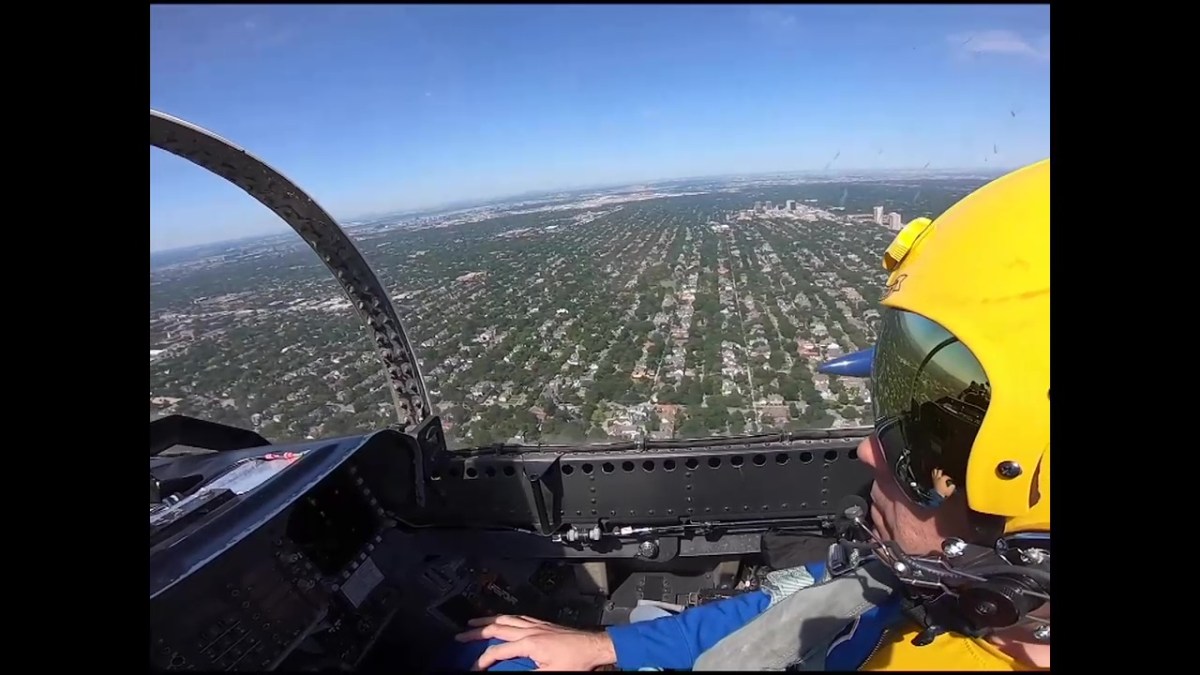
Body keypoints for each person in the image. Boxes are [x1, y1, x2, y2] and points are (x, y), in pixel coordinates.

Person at [448, 158, 1050, 671]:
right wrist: (606, 646)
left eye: (928, 445)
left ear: (1034, 547)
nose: (870, 450)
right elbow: (806, 605)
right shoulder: (933, 579)